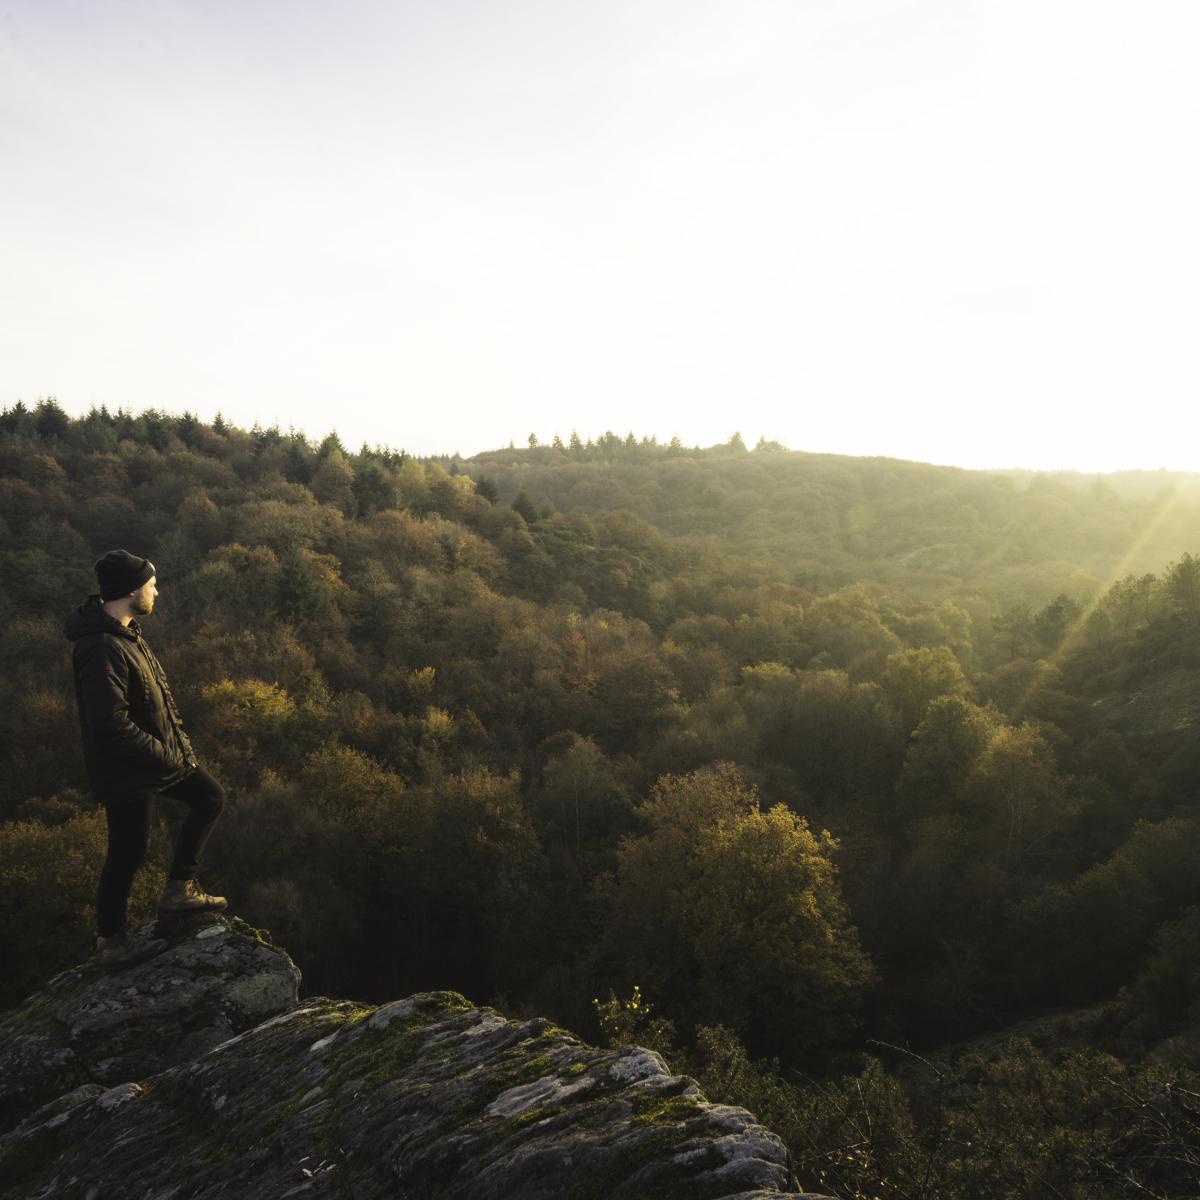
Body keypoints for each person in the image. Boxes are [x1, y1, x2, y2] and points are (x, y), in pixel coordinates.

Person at [65, 549, 229, 968]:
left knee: (209, 797)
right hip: (129, 766)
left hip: (155, 759)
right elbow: (109, 725)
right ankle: (112, 940)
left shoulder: (124, 632)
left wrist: (175, 751)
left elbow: (156, 699)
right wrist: (166, 757)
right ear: (131, 589)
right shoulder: (101, 645)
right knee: (128, 849)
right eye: (151, 584)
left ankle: (179, 890)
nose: (157, 590)